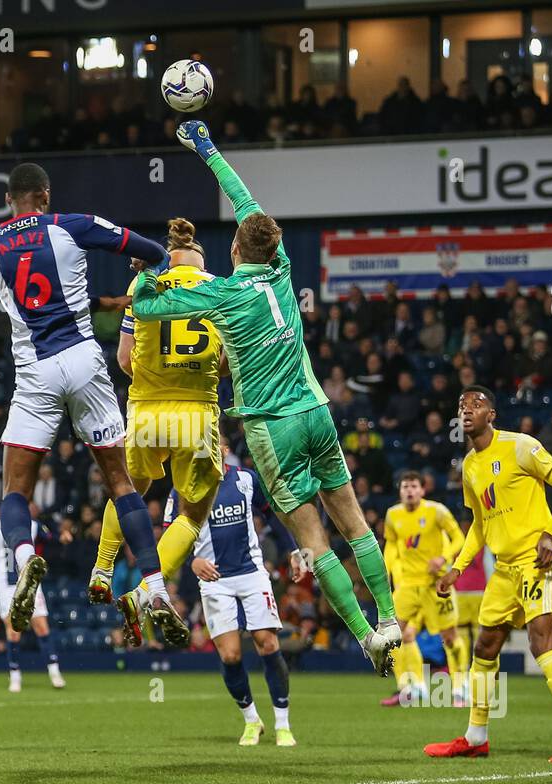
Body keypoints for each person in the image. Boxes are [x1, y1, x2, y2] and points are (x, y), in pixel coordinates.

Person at [129, 120, 401, 677]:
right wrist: (207, 147)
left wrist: (151, 274)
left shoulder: (224, 294)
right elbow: (245, 199)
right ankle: (391, 617)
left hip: (273, 426)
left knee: (313, 539)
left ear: (233, 247)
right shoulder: (282, 270)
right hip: (318, 410)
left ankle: (366, 638)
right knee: (355, 521)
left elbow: (150, 313)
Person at [0, 162, 188, 648]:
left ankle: (26, 556)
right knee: (120, 482)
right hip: (84, 361)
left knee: (15, 491)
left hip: (35, 371)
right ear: (45, 196)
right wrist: (142, 278)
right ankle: (155, 587)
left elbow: (31, 291)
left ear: (9, 200)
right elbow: (155, 253)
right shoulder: (72, 226)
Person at [427, 385, 552, 763]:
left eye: (475, 405)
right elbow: (479, 524)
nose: (466, 410)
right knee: (485, 646)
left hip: (540, 557)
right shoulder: (471, 466)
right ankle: (475, 736)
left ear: (491, 414)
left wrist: (550, 532)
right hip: (506, 568)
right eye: (461, 405)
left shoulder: (521, 446)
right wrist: (456, 569)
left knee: (542, 643)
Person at [90, 217, 224, 628]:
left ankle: (102, 569)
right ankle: (149, 590)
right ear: (200, 263)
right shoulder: (221, 289)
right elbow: (222, 362)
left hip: (146, 410)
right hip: (197, 414)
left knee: (127, 492)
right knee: (192, 513)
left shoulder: (142, 285)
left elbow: (125, 360)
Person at [176, 450, 299, 746]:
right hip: (214, 580)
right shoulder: (185, 485)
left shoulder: (246, 478)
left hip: (251, 573)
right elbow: (172, 534)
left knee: (267, 643)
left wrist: (293, 550)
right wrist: (192, 562)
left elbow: (272, 512)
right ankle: (251, 721)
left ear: (225, 450)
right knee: (230, 654)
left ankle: (283, 723)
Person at [381, 471, 468, 707]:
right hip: (408, 585)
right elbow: (391, 545)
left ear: (422, 489)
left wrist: (443, 558)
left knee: (449, 637)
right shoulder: (392, 515)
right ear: (400, 491)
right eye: (405, 487)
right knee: (394, 635)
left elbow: (459, 537)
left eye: (413, 486)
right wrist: (385, 572)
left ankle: (461, 687)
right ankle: (410, 687)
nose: (409, 491)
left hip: (436, 584)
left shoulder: (436, 511)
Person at [0, 508, 66, 693]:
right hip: (6, 585)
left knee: (41, 625)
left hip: (31, 582)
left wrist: (63, 536)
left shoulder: (33, 526)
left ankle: (54, 671)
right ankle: (15, 674)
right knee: (13, 629)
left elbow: (52, 536)